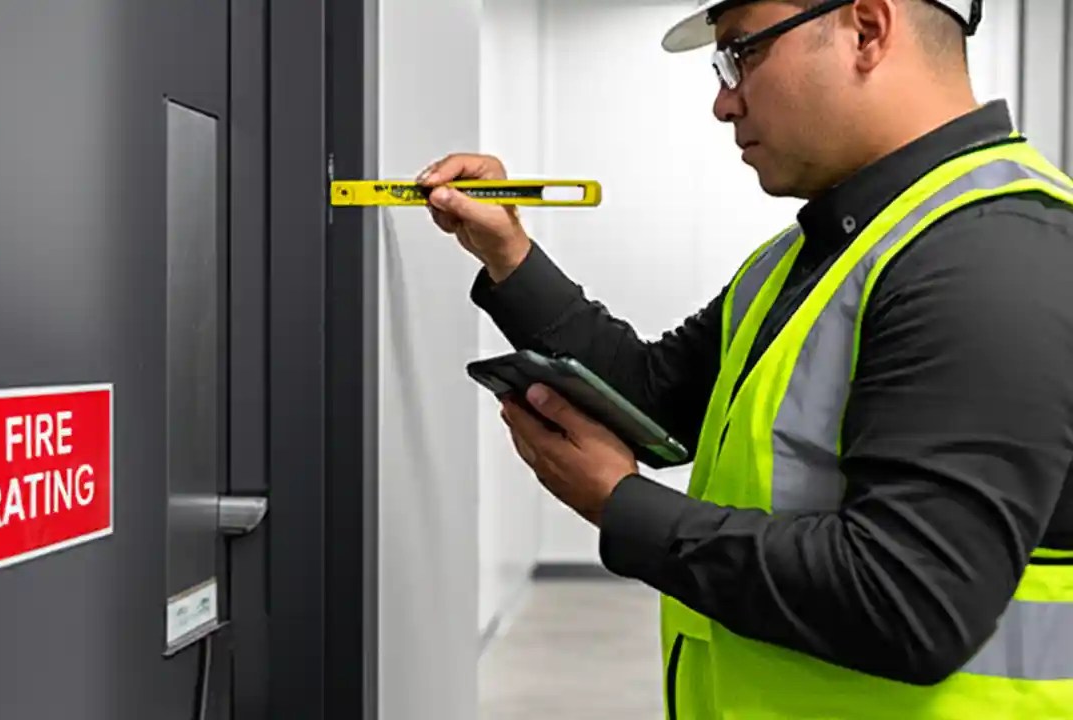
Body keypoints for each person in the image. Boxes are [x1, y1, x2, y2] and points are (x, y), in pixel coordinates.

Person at [418, 0, 1073, 717]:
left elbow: (910, 599)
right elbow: (654, 395)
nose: (723, 103)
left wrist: (621, 505)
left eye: (743, 52)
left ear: (867, 29)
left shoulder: (987, 251)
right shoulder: (815, 253)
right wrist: (506, 250)